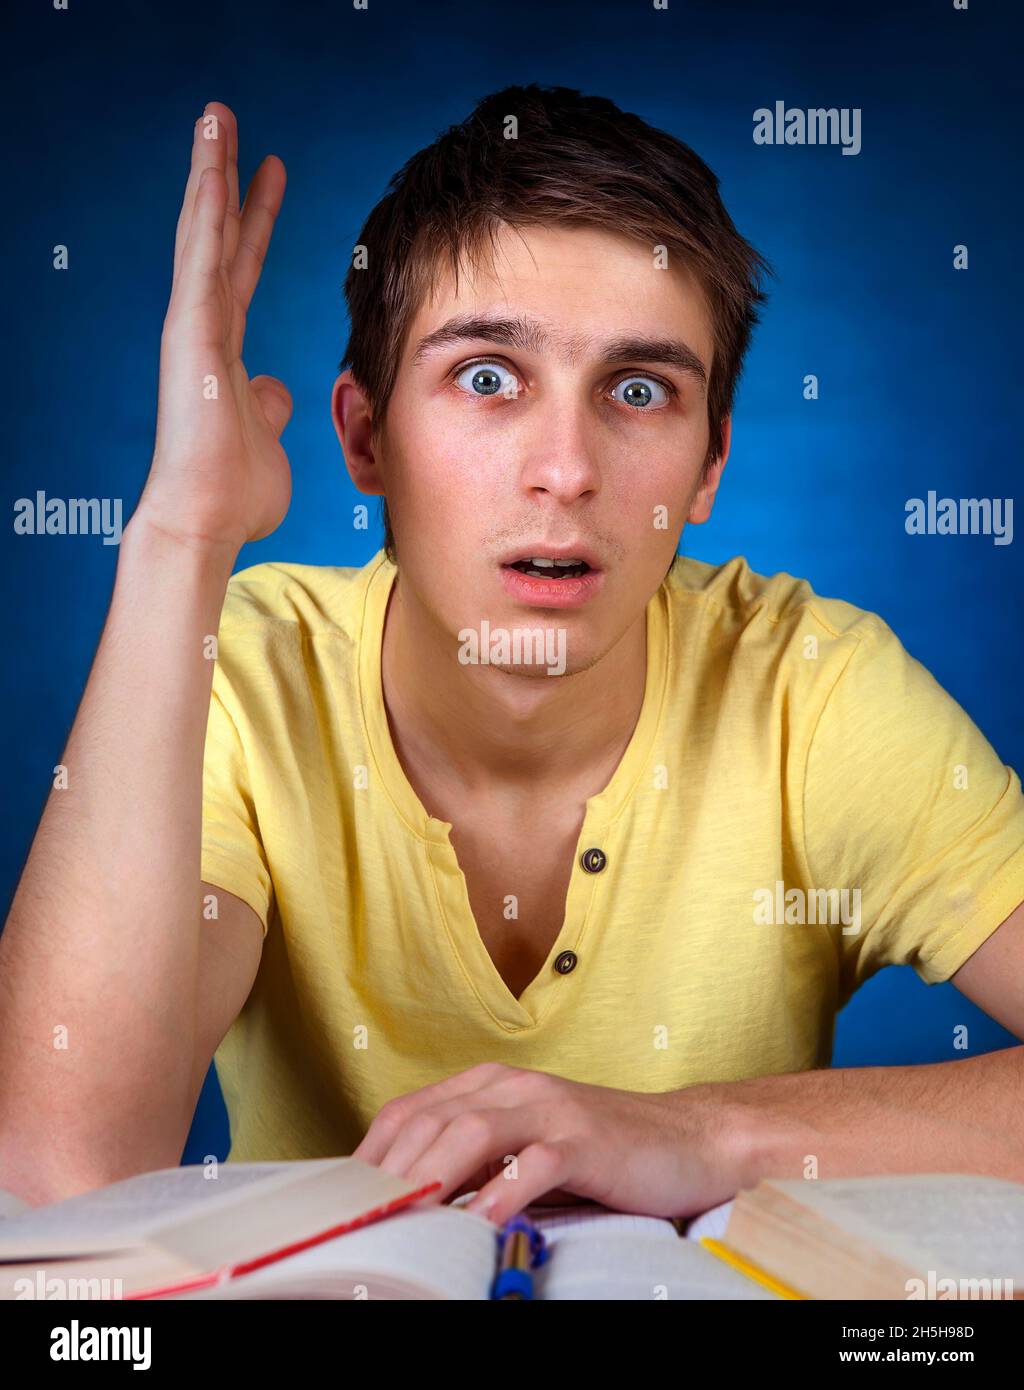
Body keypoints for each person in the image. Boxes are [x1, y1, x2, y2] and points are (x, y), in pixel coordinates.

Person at [2, 87, 1022, 1227]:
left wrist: (703, 1130)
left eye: (637, 391)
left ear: (705, 472)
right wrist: (178, 537)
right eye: (487, 376)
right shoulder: (242, 673)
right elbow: (57, 1178)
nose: (566, 471)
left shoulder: (812, 690)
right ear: (364, 437)